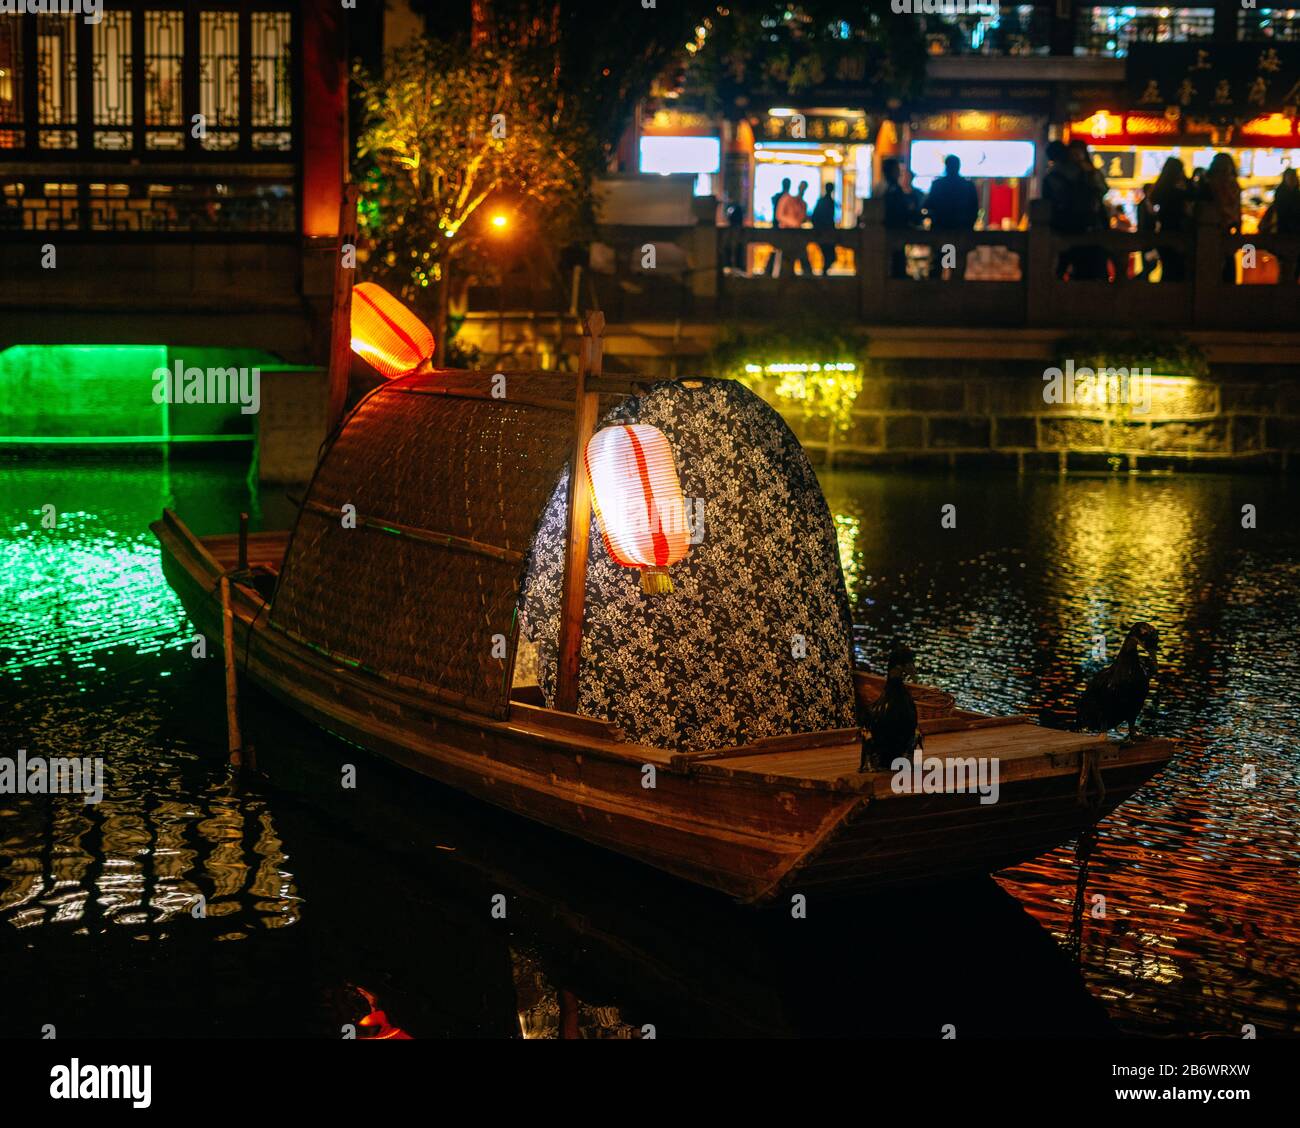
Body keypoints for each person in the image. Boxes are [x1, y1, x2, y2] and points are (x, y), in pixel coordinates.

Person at [923, 154, 979, 278]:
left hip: (941, 232)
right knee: (957, 270)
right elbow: (974, 210)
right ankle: (956, 294)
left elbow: (927, 205)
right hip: (960, 233)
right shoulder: (967, 186)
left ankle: (935, 294)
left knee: (938, 267)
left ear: (946, 166)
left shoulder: (938, 185)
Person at [1068, 139, 1110, 280]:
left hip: (1094, 220)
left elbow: (1103, 189)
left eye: (1078, 153)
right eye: (1073, 154)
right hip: (1074, 221)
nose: (1076, 157)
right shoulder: (1068, 172)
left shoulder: (1091, 171)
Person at [1148, 157, 1191, 282]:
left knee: (1168, 271)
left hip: (1164, 233)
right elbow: (1193, 194)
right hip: (1177, 234)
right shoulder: (1176, 193)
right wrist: (1187, 180)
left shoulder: (1161, 190)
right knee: (1176, 273)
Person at [1201, 153, 1242, 282]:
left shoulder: (1208, 184)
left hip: (1211, 230)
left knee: (1212, 270)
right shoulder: (1233, 186)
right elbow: (1237, 211)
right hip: (1222, 229)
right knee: (1226, 270)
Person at [880, 158, 922, 279]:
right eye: (898, 170)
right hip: (894, 233)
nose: (899, 173)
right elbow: (900, 212)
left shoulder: (882, 187)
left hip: (885, 233)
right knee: (896, 266)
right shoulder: (894, 189)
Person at [777, 179, 812, 275]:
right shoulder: (787, 199)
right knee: (786, 259)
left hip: (797, 235)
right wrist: (793, 223)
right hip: (786, 234)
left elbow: (801, 218)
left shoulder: (803, 204)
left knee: (802, 259)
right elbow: (780, 215)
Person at [765, 177, 792, 276]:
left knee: (779, 250)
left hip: (779, 227)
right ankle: (772, 272)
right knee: (778, 250)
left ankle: (773, 272)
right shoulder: (783, 197)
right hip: (780, 228)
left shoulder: (781, 197)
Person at [810, 183, 838, 275]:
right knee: (829, 254)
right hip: (825, 232)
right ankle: (824, 272)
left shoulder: (827, 201)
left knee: (829, 255)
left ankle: (824, 271)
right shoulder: (825, 201)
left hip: (826, 231)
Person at [1262, 167, 1300, 235]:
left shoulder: (1296, 193)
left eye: (1294, 177)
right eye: (1290, 178)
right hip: (1282, 229)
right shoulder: (1281, 194)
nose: (1293, 180)